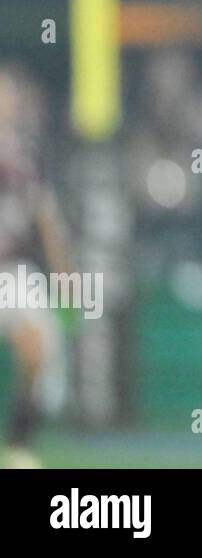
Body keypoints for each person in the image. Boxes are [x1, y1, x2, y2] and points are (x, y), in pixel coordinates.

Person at [0, 69, 73, 469]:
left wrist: (63, 270)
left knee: (36, 352)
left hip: (12, 272)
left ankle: (18, 445)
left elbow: (45, 216)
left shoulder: (27, 153)